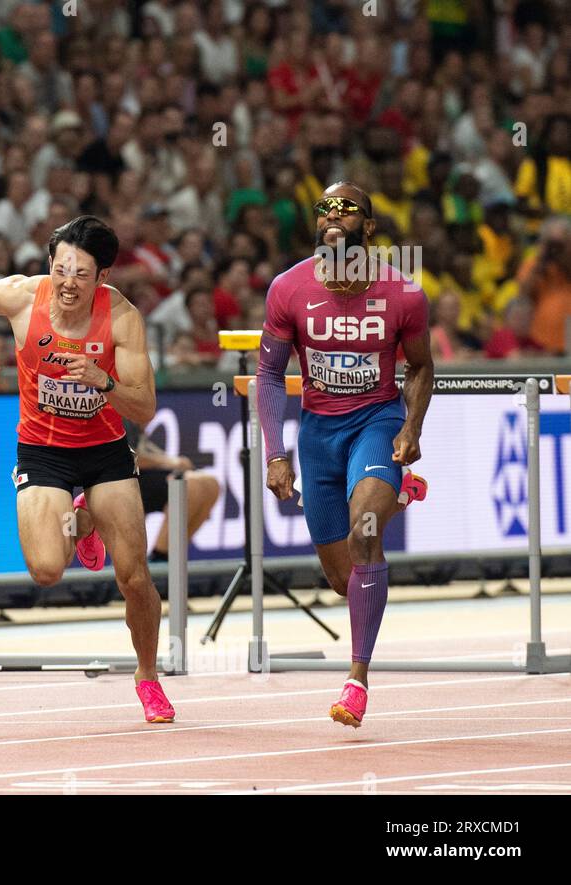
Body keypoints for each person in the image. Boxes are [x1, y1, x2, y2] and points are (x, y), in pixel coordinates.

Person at [0, 215, 176, 724]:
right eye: (61, 269)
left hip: (105, 450)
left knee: (133, 575)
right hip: (42, 450)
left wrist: (103, 381)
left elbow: (143, 408)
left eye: (81, 273)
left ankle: (148, 677)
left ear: (102, 277)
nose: (68, 282)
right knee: (47, 570)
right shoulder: (19, 297)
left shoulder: (121, 318)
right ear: (49, 265)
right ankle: (81, 520)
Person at [257, 182, 433, 729]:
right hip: (318, 434)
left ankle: (357, 678)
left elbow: (422, 368)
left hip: (375, 424)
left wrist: (411, 426)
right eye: (325, 209)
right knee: (343, 578)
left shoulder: (403, 293)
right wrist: (275, 453)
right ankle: (400, 495)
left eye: (347, 209)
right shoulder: (289, 288)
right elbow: (268, 372)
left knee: (364, 532)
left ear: (369, 227)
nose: (333, 216)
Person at [123, 422, 221, 562]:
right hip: (125, 484)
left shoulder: (136, 423)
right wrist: (172, 462)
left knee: (211, 485)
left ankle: (170, 556)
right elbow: (126, 457)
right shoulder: (120, 414)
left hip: (146, 478)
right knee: (190, 485)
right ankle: (159, 558)